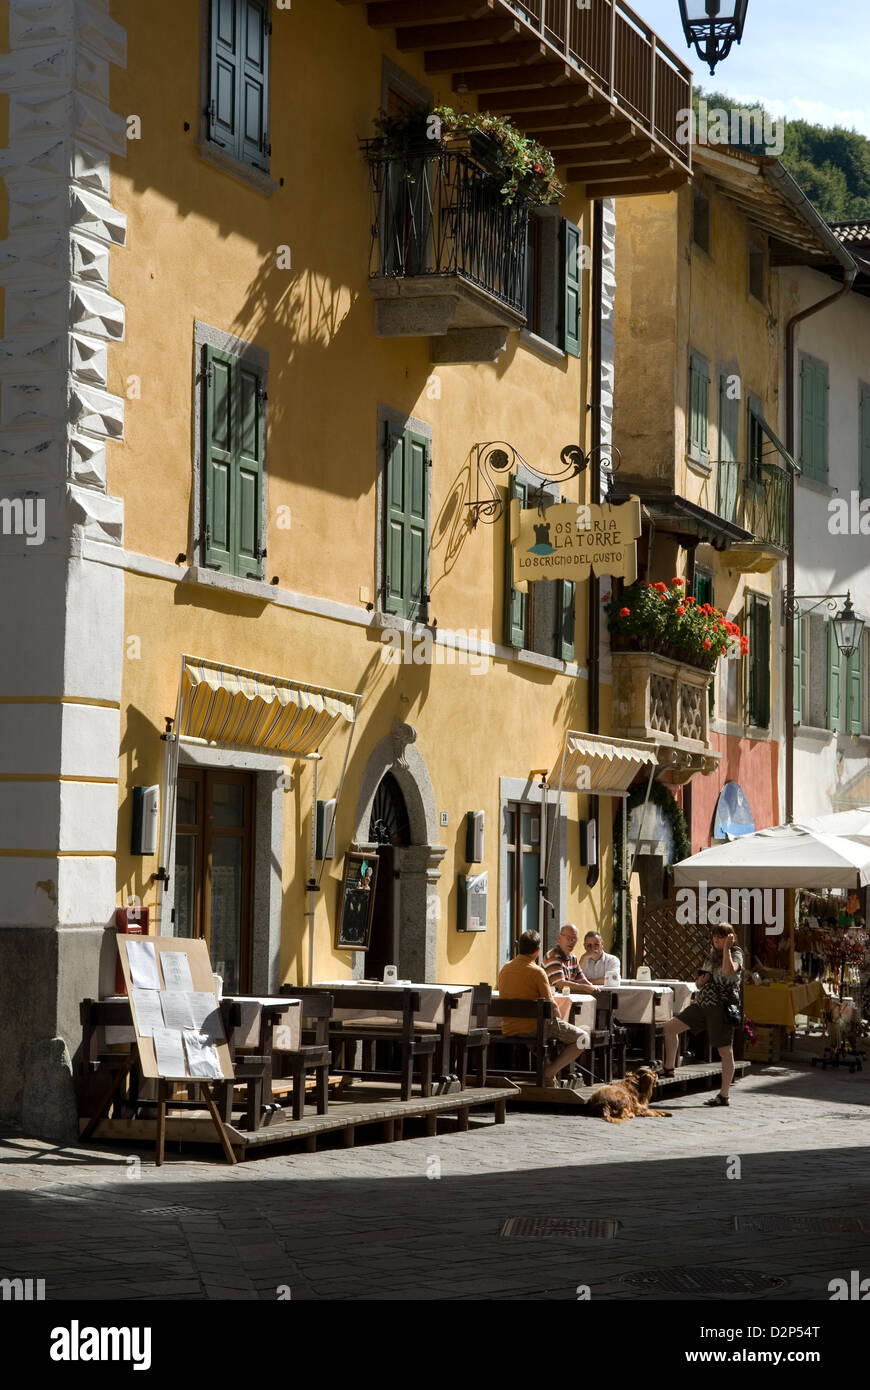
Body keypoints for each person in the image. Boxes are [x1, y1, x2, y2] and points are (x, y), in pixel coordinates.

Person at [662, 925, 744, 1106]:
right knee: (669, 1027)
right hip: (703, 1004)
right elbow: (699, 984)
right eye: (714, 936)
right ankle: (669, 1067)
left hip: (721, 1007)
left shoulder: (735, 953)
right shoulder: (711, 955)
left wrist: (727, 949)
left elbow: (727, 971)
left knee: (724, 1050)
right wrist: (699, 982)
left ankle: (724, 1095)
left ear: (729, 938)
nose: (716, 940)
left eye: (720, 937)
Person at [498, 929, 590, 1085]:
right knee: (583, 1038)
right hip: (535, 1027)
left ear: (518, 947)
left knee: (545, 1034)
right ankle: (550, 1072)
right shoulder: (537, 972)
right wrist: (561, 1019)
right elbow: (550, 1006)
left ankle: (547, 1072)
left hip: (509, 1027)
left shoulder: (505, 969)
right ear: (537, 951)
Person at [543, 923, 602, 997]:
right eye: (568, 937)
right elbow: (561, 984)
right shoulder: (553, 956)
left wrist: (592, 987)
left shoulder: (573, 958)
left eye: (574, 938)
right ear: (559, 937)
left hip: (567, 1001)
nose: (571, 941)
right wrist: (585, 988)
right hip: (551, 1003)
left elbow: (582, 980)